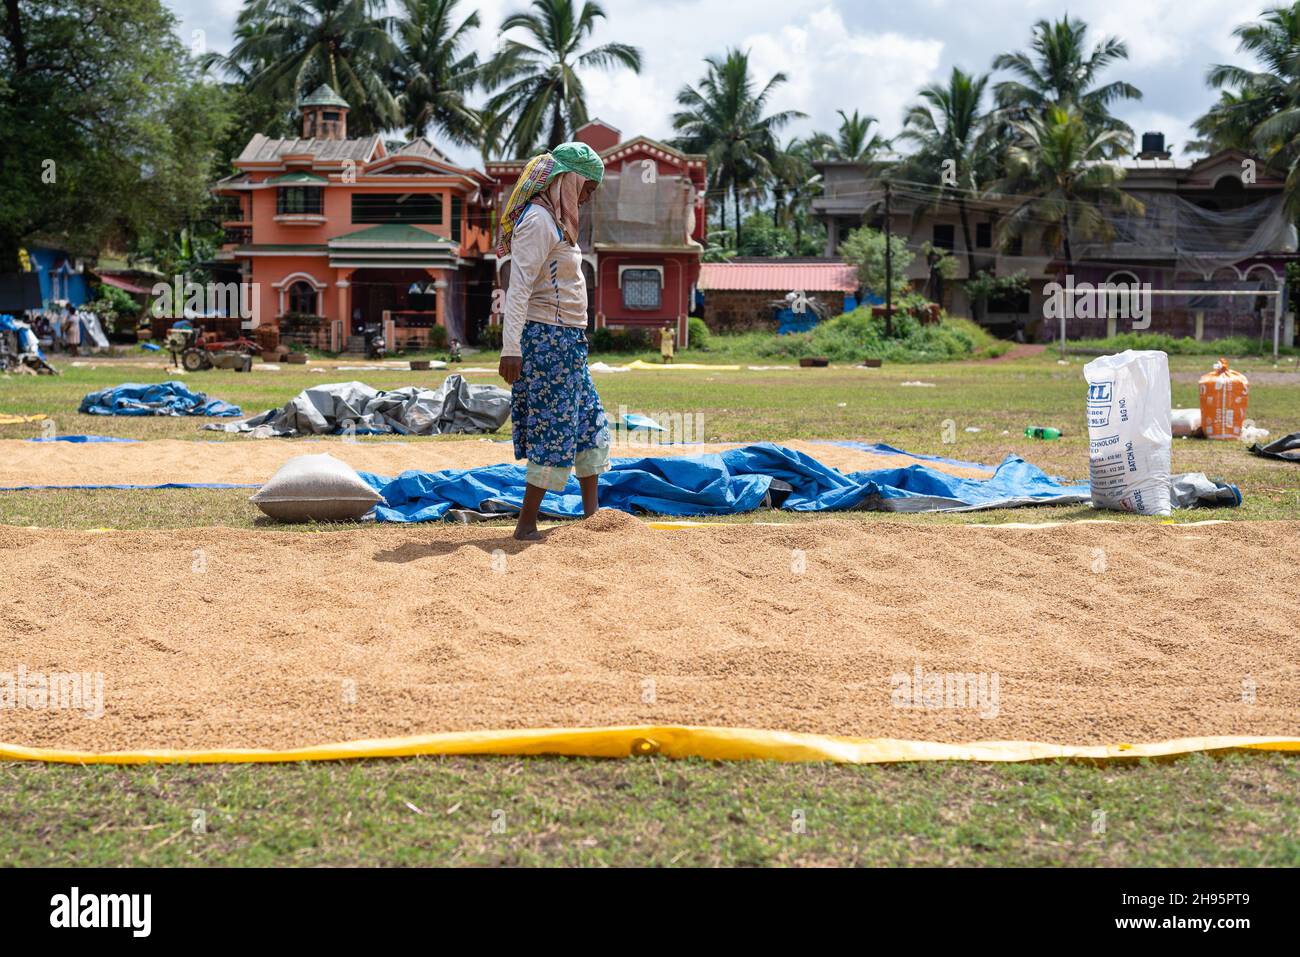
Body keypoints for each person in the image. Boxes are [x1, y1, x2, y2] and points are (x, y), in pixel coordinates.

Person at [497, 142, 610, 540]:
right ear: (569, 180)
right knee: (554, 427)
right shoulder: (539, 222)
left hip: (568, 342)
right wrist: (511, 349)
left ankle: (593, 518)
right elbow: (518, 288)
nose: (588, 197)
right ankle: (526, 525)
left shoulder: (557, 222)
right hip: (546, 340)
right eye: (587, 187)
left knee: (588, 424)